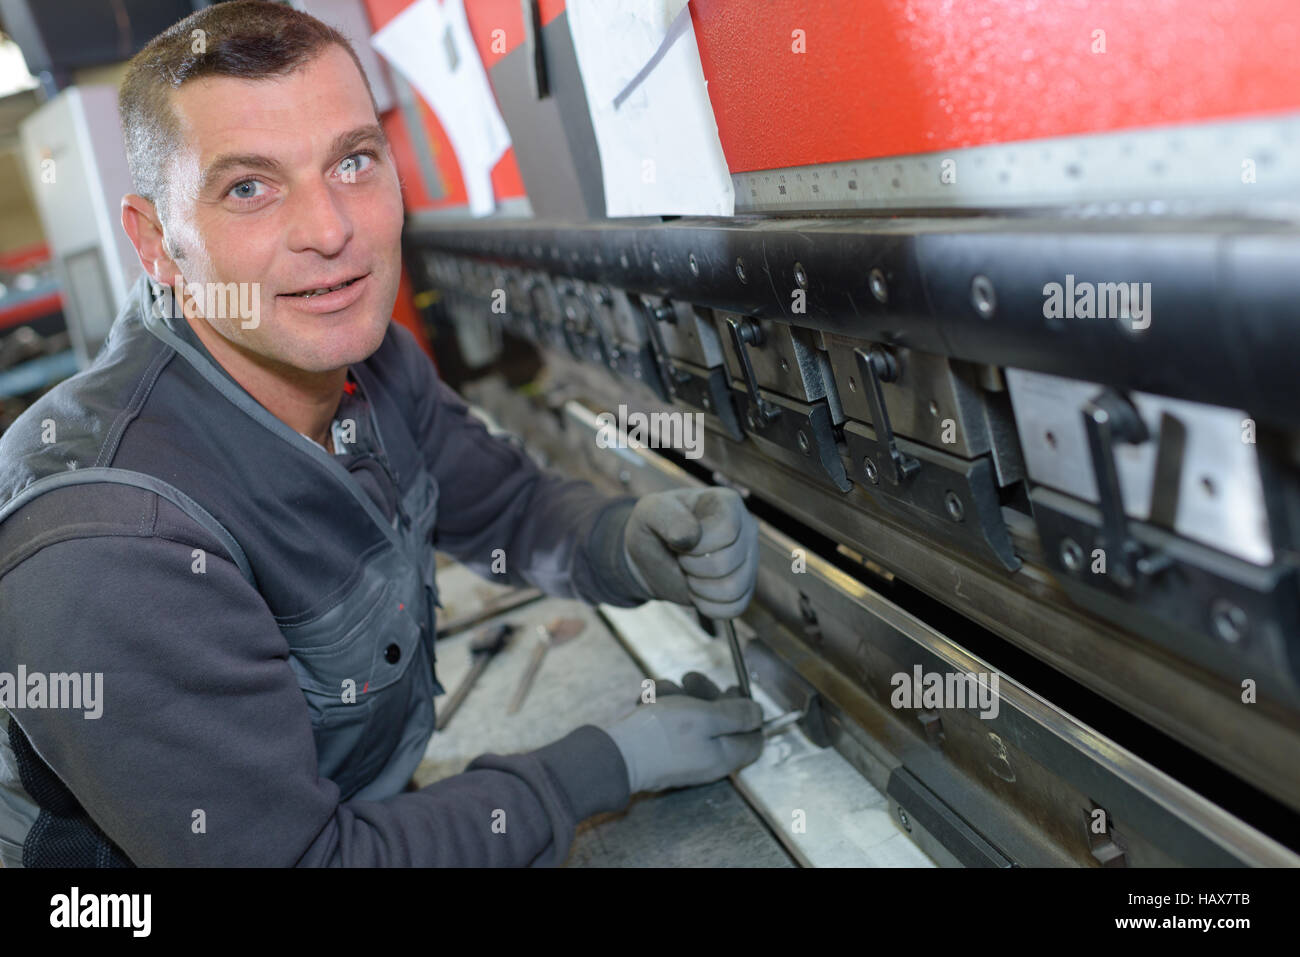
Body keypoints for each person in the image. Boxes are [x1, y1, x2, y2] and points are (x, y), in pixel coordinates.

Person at [0, 1, 761, 867]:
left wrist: (623, 539)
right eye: (249, 187)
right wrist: (599, 767)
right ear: (158, 243)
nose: (330, 232)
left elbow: (504, 508)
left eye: (353, 161)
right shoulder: (111, 544)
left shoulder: (372, 365)